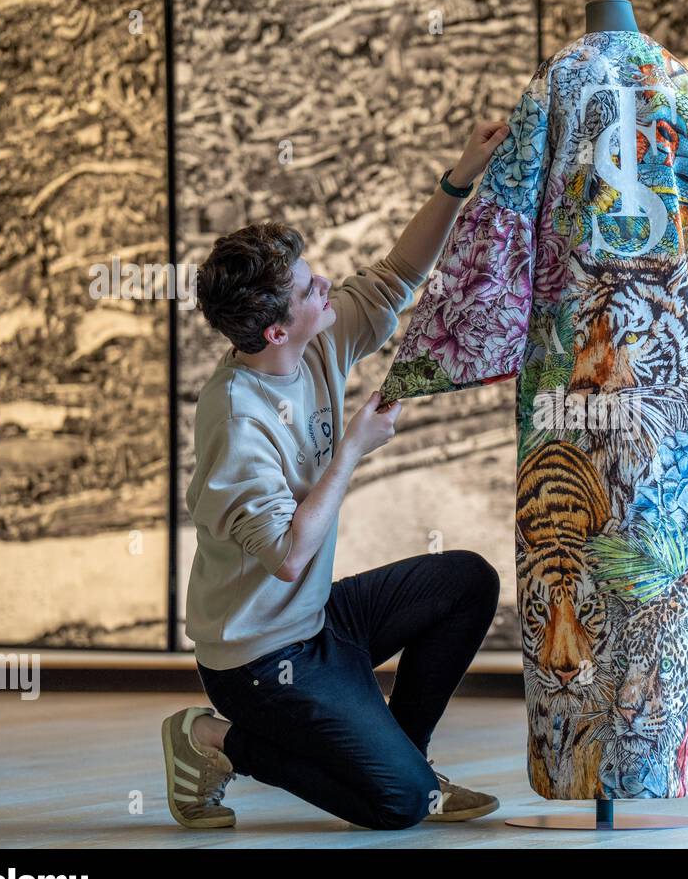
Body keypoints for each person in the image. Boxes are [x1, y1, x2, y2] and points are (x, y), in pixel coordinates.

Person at [160, 120, 511, 831]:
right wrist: (353, 449)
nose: (325, 282)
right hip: (260, 661)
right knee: (396, 805)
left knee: (467, 581)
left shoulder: (318, 342)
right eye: (306, 285)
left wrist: (459, 178)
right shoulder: (236, 419)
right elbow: (288, 557)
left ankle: (405, 756)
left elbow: (396, 274)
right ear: (275, 332)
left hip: (319, 625)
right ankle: (212, 740)